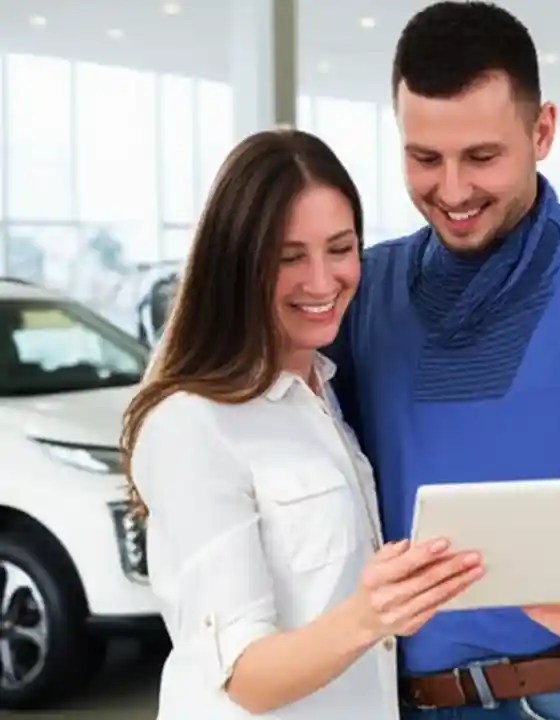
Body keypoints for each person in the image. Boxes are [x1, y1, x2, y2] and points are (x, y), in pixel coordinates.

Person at [323, 2, 560, 718]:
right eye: (424, 158)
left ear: (543, 131)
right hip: (387, 699)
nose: (453, 191)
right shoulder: (365, 292)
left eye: (482, 157)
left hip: (556, 698)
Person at [119, 129, 487, 719]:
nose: (322, 281)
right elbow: (244, 676)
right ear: (236, 265)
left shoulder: (324, 393)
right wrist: (370, 614)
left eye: (340, 249)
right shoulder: (190, 424)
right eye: (290, 258)